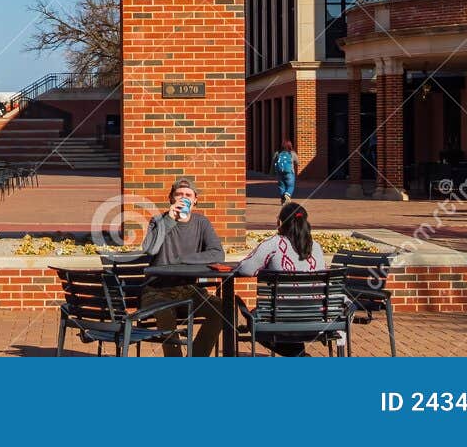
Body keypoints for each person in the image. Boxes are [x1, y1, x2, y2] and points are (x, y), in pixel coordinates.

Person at [140, 176, 227, 356]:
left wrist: (184, 259)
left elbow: (217, 253)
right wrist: (169, 221)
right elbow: (150, 249)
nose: (183, 198)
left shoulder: (201, 223)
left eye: (188, 194)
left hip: (189, 290)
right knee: (165, 314)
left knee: (222, 309)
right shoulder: (159, 221)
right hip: (157, 291)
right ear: (171, 199)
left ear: (195, 200)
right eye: (179, 194)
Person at [236, 201, 335, 354]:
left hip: (279, 320)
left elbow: (245, 269)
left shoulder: (274, 244)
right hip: (316, 319)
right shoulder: (316, 247)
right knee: (292, 316)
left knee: (253, 318)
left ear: (280, 222)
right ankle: (299, 355)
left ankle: (298, 356)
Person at [272, 138, 299, 203]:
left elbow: (273, 162)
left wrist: (272, 172)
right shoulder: (292, 153)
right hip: (289, 172)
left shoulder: (277, 153)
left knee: (281, 186)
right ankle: (287, 194)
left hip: (279, 172)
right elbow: (297, 162)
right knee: (290, 186)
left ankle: (283, 200)